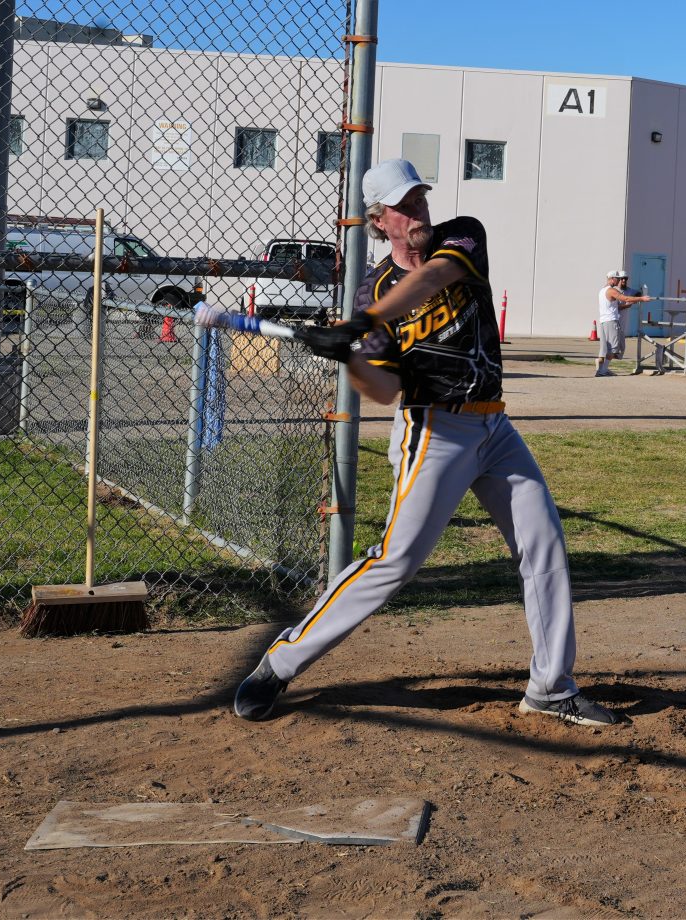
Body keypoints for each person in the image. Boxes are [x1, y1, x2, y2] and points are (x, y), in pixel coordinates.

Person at [234, 158, 618, 727]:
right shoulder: (372, 291)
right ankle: (280, 662)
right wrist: (349, 357)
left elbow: (433, 279)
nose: (417, 211)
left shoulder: (462, 236)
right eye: (403, 205)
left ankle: (551, 687)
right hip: (433, 431)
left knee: (544, 544)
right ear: (378, 220)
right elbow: (384, 390)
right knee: (395, 563)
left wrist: (363, 323)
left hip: (494, 426)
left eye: (419, 198)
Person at [596, 268, 652, 377]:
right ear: (612, 279)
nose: (619, 281)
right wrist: (642, 298)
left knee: (605, 348)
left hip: (603, 321)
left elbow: (618, 302)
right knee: (613, 348)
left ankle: (601, 370)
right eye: (617, 279)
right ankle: (603, 370)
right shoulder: (611, 290)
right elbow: (625, 298)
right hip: (611, 321)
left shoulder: (602, 290)